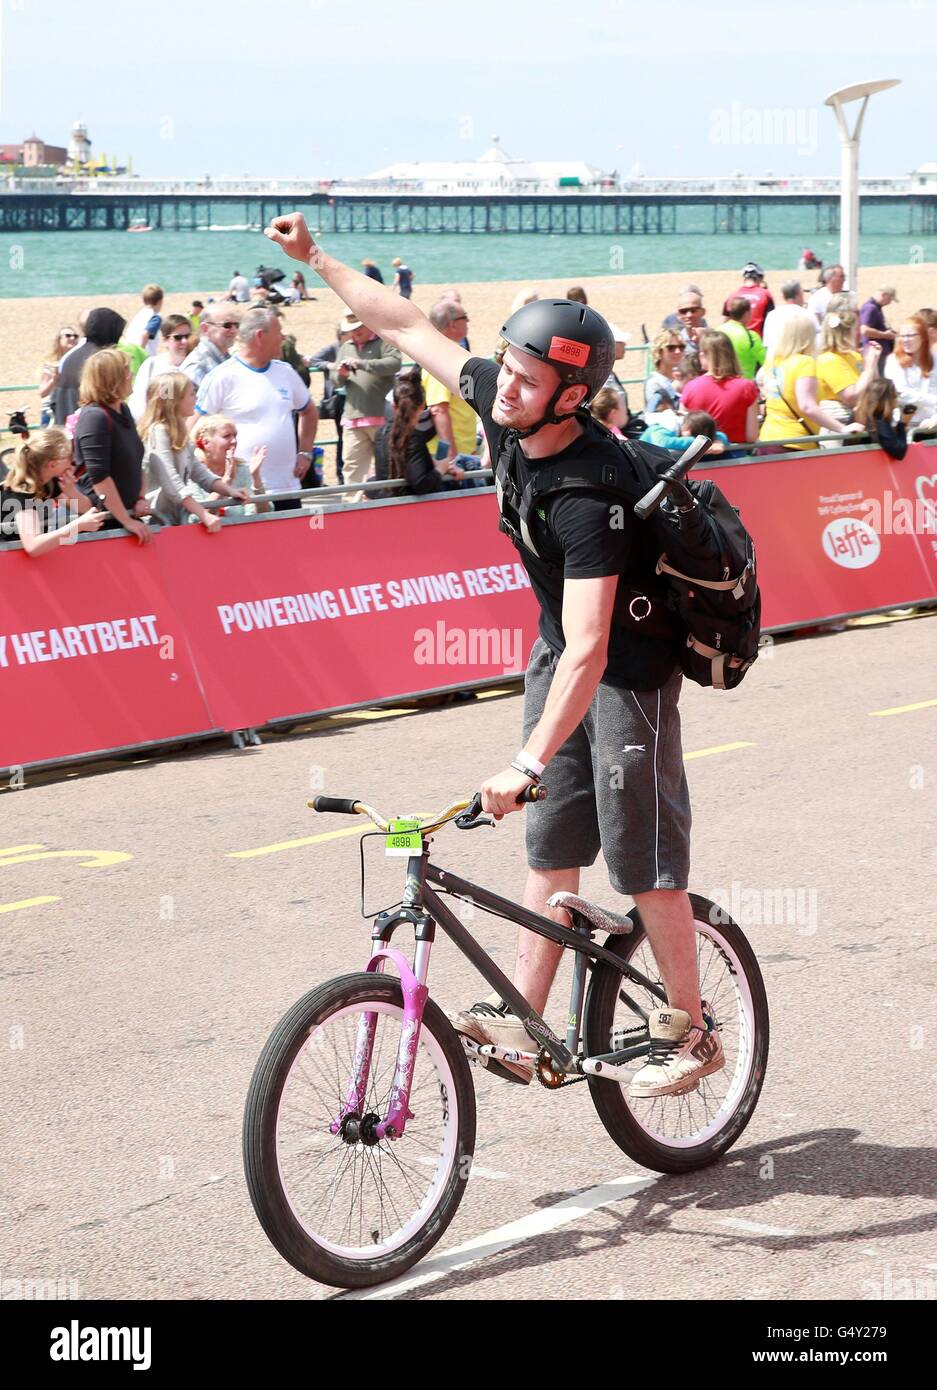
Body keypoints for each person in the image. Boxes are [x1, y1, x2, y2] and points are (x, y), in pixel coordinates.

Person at [266, 210, 724, 1098]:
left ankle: (693, 1031)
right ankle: (527, 1021)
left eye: (525, 378)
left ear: (570, 394)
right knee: (550, 848)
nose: (503, 387)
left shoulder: (587, 493)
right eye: (505, 370)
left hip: (627, 673)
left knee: (642, 862)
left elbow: (595, 649)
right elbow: (402, 325)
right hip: (560, 656)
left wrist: (525, 759)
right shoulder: (505, 401)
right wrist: (314, 256)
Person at [194, 306, 318, 511]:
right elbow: (196, 427)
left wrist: (305, 452)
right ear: (260, 336)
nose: (283, 337)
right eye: (279, 332)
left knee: (293, 542)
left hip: (287, 487)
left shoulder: (286, 372)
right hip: (243, 493)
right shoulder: (223, 376)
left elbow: (309, 412)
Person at [140, 373, 249, 529]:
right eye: (191, 394)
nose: (196, 399)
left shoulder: (179, 432)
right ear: (175, 401)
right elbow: (171, 482)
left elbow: (199, 472)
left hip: (174, 521)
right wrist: (203, 515)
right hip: (157, 524)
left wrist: (230, 490)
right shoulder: (158, 432)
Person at [73, 349, 151, 543]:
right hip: (102, 523)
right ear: (112, 379)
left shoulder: (123, 410)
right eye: (125, 371)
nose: (130, 375)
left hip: (124, 516)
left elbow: (136, 458)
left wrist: (140, 497)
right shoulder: (95, 417)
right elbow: (100, 476)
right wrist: (126, 521)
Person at [758, 311, 865, 450]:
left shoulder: (773, 361)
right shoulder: (804, 362)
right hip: (796, 441)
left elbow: (760, 382)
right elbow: (807, 406)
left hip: (768, 439)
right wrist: (842, 428)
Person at [0, 426, 104, 555]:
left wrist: (72, 491)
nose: (73, 462)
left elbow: (85, 509)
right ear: (52, 465)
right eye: (69, 457)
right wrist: (77, 526)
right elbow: (33, 547)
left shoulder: (48, 482)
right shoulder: (22, 491)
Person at [334, 310, 402, 501]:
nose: (354, 333)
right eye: (351, 330)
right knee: (352, 468)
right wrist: (342, 374)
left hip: (381, 417)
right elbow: (335, 380)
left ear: (367, 324)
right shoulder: (346, 347)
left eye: (358, 328)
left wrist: (362, 364)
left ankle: (391, 504)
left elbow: (394, 363)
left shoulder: (383, 341)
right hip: (354, 417)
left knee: (389, 466)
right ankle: (352, 510)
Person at [373, 371, 467, 496]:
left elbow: (404, 464)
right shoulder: (413, 438)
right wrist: (441, 469)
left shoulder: (381, 433)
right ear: (423, 405)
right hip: (409, 508)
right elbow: (420, 483)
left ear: (393, 404)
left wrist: (433, 464)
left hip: (384, 503)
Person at [680, 329, 759, 450]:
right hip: (735, 456)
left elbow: (683, 431)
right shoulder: (747, 387)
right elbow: (751, 436)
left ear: (703, 355)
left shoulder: (690, 387)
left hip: (698, 458)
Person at [423, 300, 480, 462]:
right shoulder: (441, 356)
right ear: (452, 325)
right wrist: (451, 456)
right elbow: (439, 409)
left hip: (462, 448)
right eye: (465, 317)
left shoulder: (449, 351)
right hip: (449, 454)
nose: (468, 321)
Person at [53, 307, 126, 425]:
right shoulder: (102, 360)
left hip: (66, 426)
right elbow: (109, 401)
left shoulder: (69, 356)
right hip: (93, 428)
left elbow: (55, 399)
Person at [190, 414, 271, 513]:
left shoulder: (242, 469)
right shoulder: (193, 473)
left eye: (235, 435)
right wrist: (227, 480)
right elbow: (197, 519)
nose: (234, 441)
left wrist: (256, 478)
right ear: (206, 443)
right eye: (226, 436)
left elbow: (263, 514)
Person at [816, 309, 881, 418]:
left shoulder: (853, 356)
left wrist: (873, 361)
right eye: (855, 329)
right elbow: (851, 397)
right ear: (845, 333)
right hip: (841, 425)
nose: (858, 333)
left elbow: (875, 388)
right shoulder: (829, 360)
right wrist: (869, 368)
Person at [128, 315, 194, 419]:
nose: (184, 341)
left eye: (187, 336)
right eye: (178, 337)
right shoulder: (152, 365)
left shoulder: (197, 366)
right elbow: (137, 403)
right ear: (165, 340)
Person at [883, 315, 937, 425]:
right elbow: (901, 393)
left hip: (931, 423)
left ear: (922, 336)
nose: (905, 340)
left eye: (910, 335)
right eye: (902, 336)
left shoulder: (935, 359)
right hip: (905, 425)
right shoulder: (893, 361)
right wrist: (934, 400)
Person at [850, 378, 916, 460]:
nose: (897, 398)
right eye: (895, 395)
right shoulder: (877, 420)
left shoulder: (859, 412)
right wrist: (902, 424)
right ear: (888, 400)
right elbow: (899, 452)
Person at [181, 304, 239, 387]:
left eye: (236, 325)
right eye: (227, 325)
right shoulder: (197, 367)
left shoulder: (228, 358)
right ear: (205, 328)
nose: (234, 330)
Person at [38, 325, 80, 426]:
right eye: (68, 335)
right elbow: (42, 392)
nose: (72, 338)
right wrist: (54, 379)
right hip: (52, 411)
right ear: (59, 340)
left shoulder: (79, 362)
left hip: (73, 408)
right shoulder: (51, 364)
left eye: (75, 336)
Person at [641, 407, 728, 455]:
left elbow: (720, 435)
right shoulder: (666, 425)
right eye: (687, 429)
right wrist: (697, 443)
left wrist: (718, 441)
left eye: (692, 432)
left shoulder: (688, 424)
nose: (688, 433)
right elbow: (662, 442)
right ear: (683, 425)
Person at [719, 297, 765, 380]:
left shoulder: (718, 331)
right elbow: (765, 361)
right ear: (747, 313)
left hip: (720, 383)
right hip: (744, 385)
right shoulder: (751, 337)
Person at [723, 262, 774, 338]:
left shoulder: (731, 296)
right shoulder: (765, 295)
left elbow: (725, 323)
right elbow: (771, 321)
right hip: (758, 340)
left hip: (735, 339)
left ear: (744, 278)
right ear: (760, 278)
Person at [761, 280, 805, 358]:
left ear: (783, 296)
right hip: (797, 364)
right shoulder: (807, 315)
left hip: (773, 363)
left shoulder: (772, 315)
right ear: (799, 294)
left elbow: (767, 345)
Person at [644, 330, 685, 413]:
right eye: (671, 348)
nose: (678, 351)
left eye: (681, 347)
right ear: (660, 352)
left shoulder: (680, 379)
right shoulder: (654, 383)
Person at [859, 286, 898, 361]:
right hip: (875, 354)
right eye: (890, 299)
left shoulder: (876, 308)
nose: (889, 302)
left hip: (878, 353)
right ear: (883, 295)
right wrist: (885, 335)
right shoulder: (870, 308)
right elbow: (865, 330)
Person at [125, 284, 165, 355]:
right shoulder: (155, 317)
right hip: (143, 353)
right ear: (159, 302)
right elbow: (145, 334)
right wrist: (141, 353)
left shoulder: (140, 314)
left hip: (129, 349)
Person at [670, 288, 706, 352]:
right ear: (678, 315)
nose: (689, 315)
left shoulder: (715, 339)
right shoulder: (674, 344)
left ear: (703, 312)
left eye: (693, 310)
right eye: (683, 311)